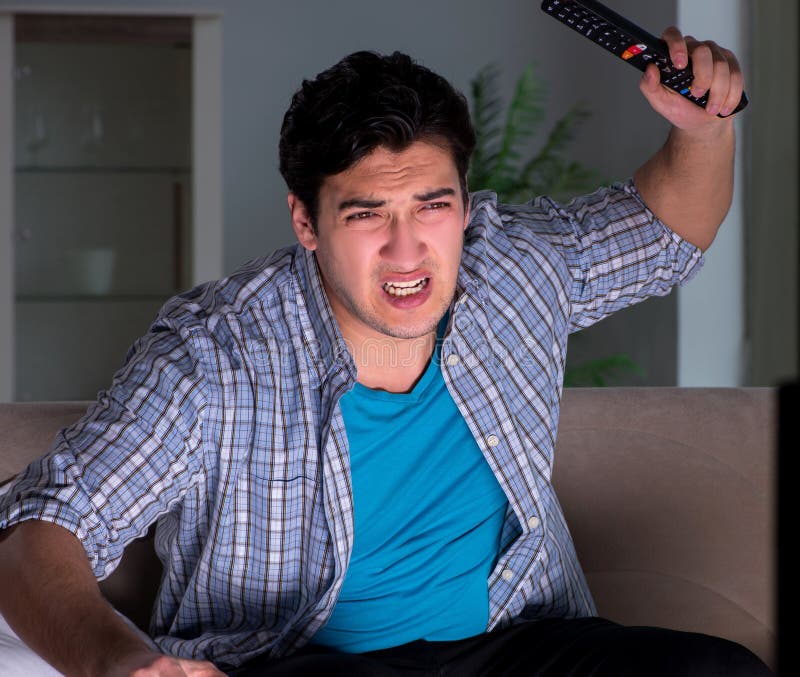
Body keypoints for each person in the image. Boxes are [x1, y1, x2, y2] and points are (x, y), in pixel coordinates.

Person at [0, 25, 771, 677]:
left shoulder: (511, 270)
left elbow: (665, 232)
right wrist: (123, 663)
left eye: (432, 206)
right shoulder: (214, 356)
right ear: (306, 222)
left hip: (517, 644)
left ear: (463, 204)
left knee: (722, 671)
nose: (408, 252)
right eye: (368, 214)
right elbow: (38, 531)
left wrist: (704, 129)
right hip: (307, 661)